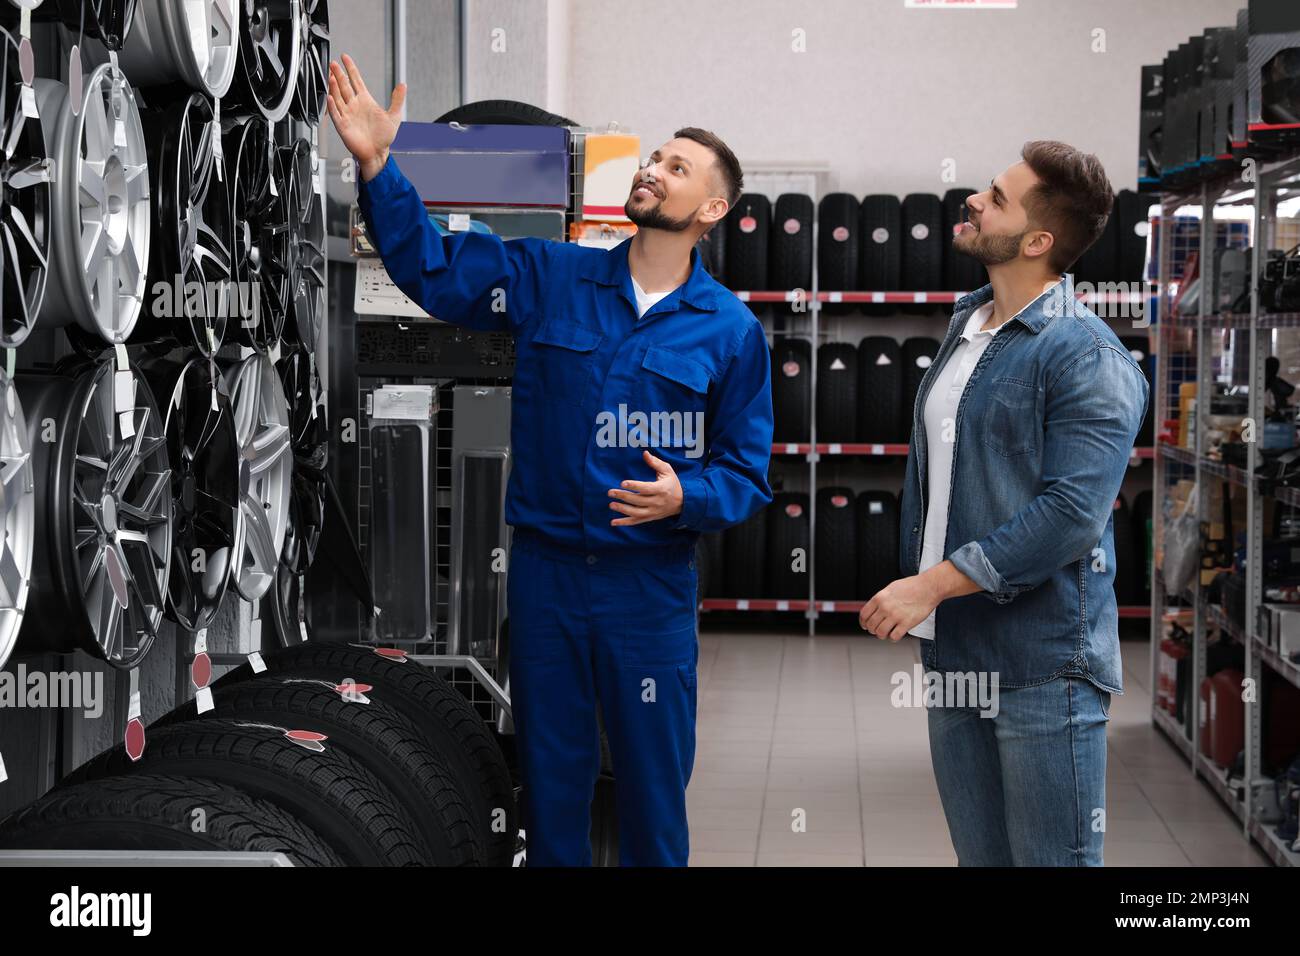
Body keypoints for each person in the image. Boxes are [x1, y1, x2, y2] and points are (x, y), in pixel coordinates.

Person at [326, 55, 774, 866]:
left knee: (651, 788)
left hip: (648, 589)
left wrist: (689, 497)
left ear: (712, 207)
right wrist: (379, 166)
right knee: (551, 783)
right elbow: (431, 268)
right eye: (653, 158)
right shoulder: (550, 275)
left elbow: (746, 473)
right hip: (545, 578)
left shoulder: (730, 332)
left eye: (676, 167)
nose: (652, 170)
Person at [857, 141, 1149, 866]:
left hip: (1044, 661)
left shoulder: (1087, 356)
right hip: (957, 648)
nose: (973, 200)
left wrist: (931, 583)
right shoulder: (969, 328)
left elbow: (1071, 515)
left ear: (1038, 240)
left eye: (995, 197)